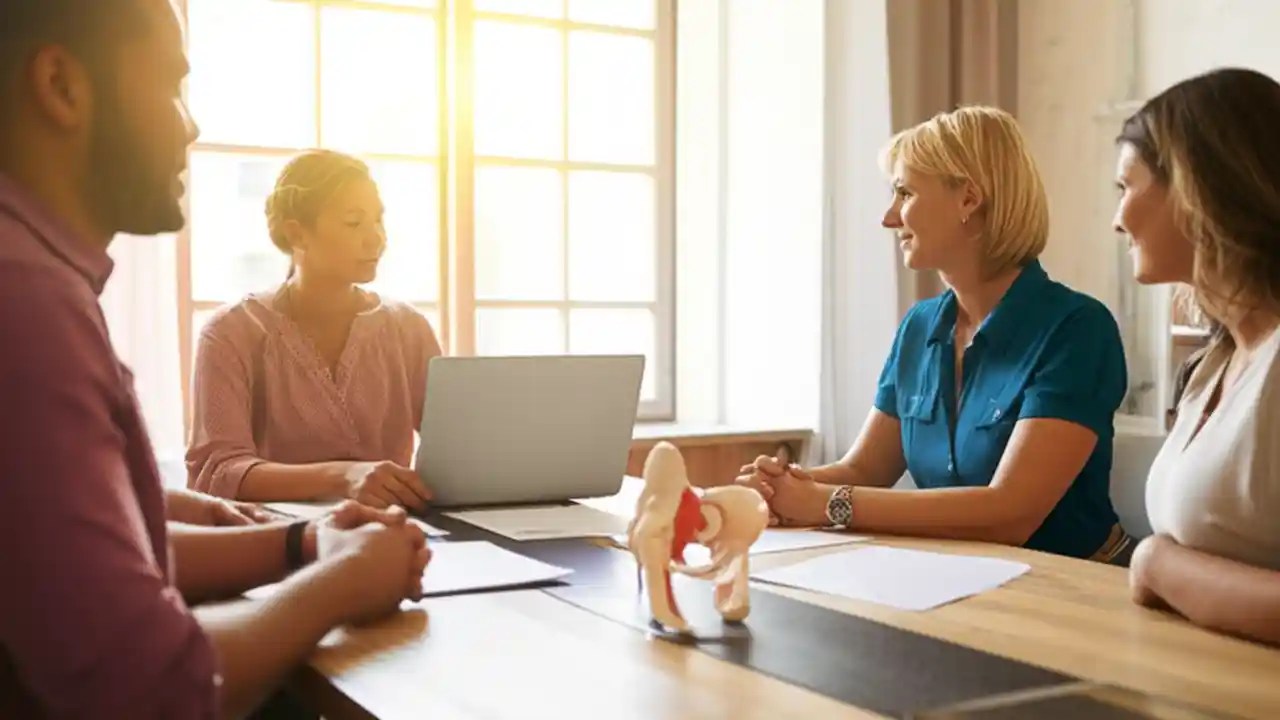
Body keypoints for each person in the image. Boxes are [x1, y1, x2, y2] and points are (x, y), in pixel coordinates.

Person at [0, 1, 431, 716]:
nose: (190, 125)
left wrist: (302, 541)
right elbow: (153, 689)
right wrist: (342, 580)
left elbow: (106, 553)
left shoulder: (43, 285)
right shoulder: (26, 308)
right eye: (171, 85)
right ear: (62, 87)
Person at [738, 106, 1131, 561]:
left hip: (1075, 591)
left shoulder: (1077, 329)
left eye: (904, 193)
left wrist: (826, 503)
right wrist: (780, 487)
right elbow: (864, 468)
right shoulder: (919, 326)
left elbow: (1010, 514)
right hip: (960, 581)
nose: (889, 218)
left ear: (968, 199)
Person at [1115, 67, 1280, 646]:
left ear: (1194, 186)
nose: (1118, 220)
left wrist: (1161, 565)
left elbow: (1164, 562)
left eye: (1126, 187)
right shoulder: (1215, 362)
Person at [187, 149, 441, 511]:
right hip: (274, 546)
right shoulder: (231, 334)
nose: (377, 239)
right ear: (297, 234)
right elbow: (217, 471)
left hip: (395, 538)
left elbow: (456, 454)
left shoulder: (409, 329)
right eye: (354, 223)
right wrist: (344, 477)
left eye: (379, 220)